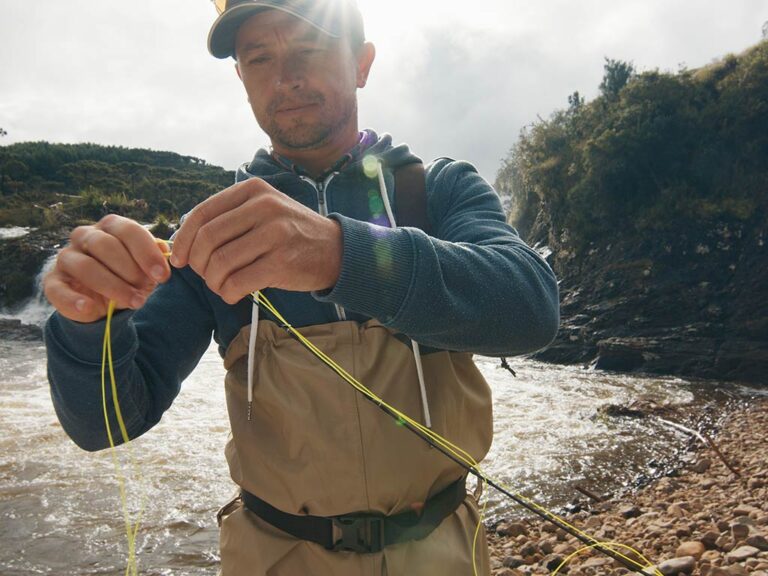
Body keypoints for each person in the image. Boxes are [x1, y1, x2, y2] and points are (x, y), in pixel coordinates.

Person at [43, 0, 560, 574]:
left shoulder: (437, 189)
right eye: (259, 57)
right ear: (241, 80)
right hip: (274, 557)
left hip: (441, 551)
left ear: (362, 64)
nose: (285, 77)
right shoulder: (212, 231)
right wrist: (87, 321)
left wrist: (338, 255)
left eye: (309, 48)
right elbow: (105, 423)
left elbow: (532, 309)